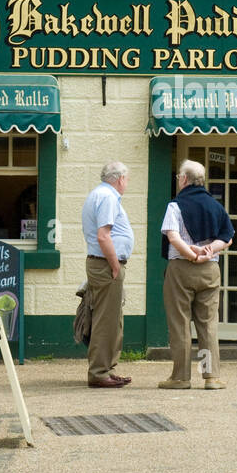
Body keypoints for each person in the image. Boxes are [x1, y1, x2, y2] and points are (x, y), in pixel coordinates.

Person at [159, 160, 234, 390]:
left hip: (181, 268)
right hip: (210, 269)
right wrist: (210, 250)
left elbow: (173, 236)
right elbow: (228, 237)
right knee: (207, 324)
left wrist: (192, 254)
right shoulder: (215, 205)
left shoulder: (175, 205)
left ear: (183, 179)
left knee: (180, 322)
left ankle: (181, 377)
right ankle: (210, 376)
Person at [81, 161, 134, 388]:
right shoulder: (108, 197)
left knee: (111, 319)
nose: (127, 183)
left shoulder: (100, 194)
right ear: (120, 178)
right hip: (106, 265)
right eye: (127, 179)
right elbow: (104, 236)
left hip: (103, 264)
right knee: (105, 320)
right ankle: (100, 372)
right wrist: (114, 266)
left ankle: (107, 369)